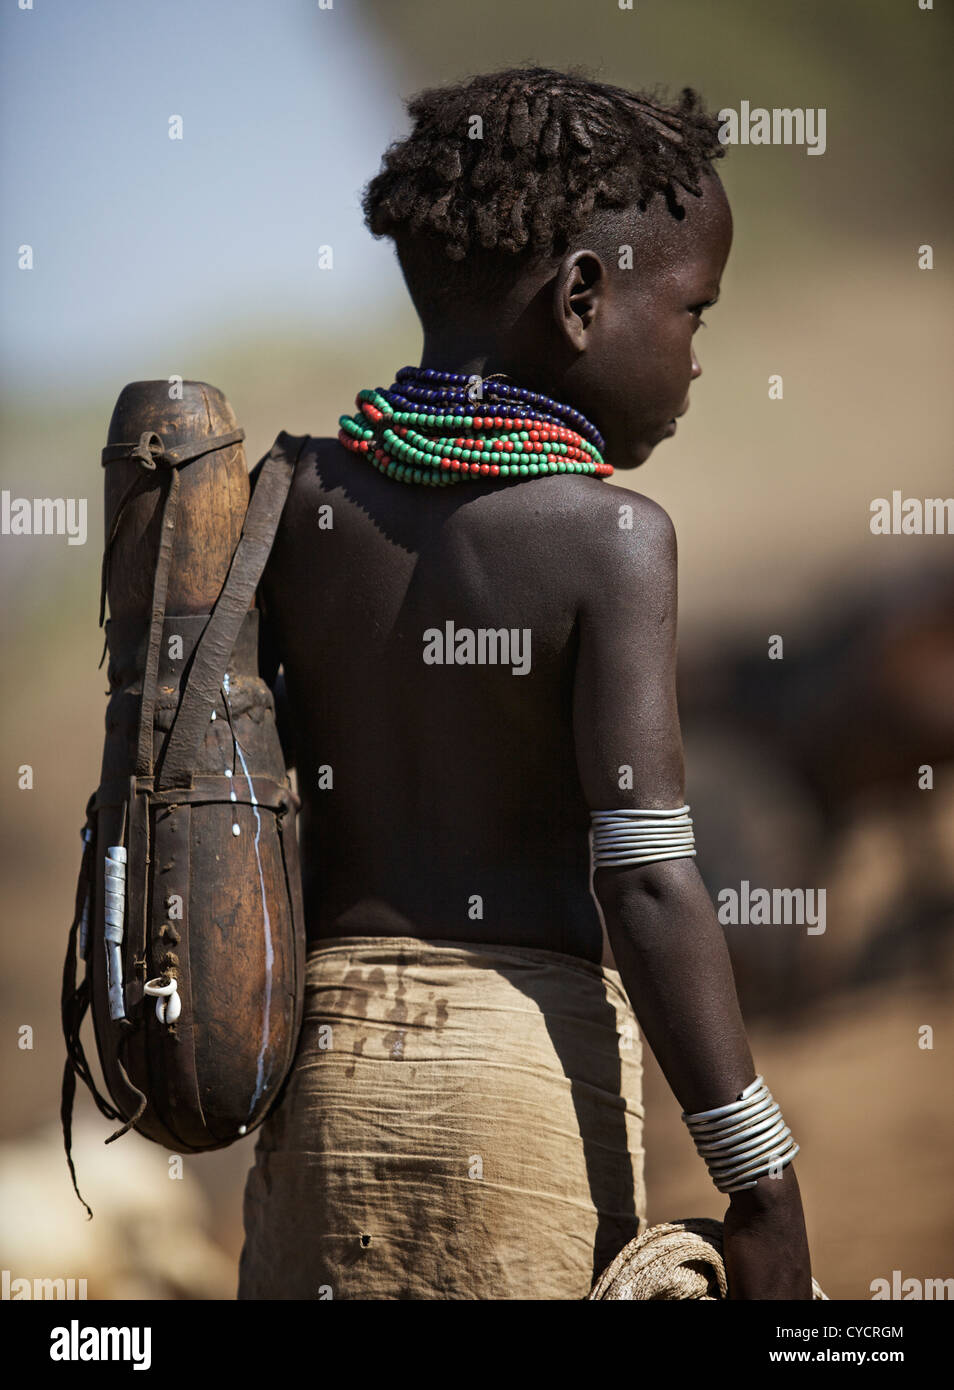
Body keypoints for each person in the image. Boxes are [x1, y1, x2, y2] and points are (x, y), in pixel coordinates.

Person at [237, 65, 813, 1300]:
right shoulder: (612, 541)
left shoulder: (289, 504)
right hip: (515, 1089)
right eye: (695, 313)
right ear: (583, 298)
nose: (697, 361)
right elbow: (648, 880)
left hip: (318, 1095)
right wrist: (761, 1181)